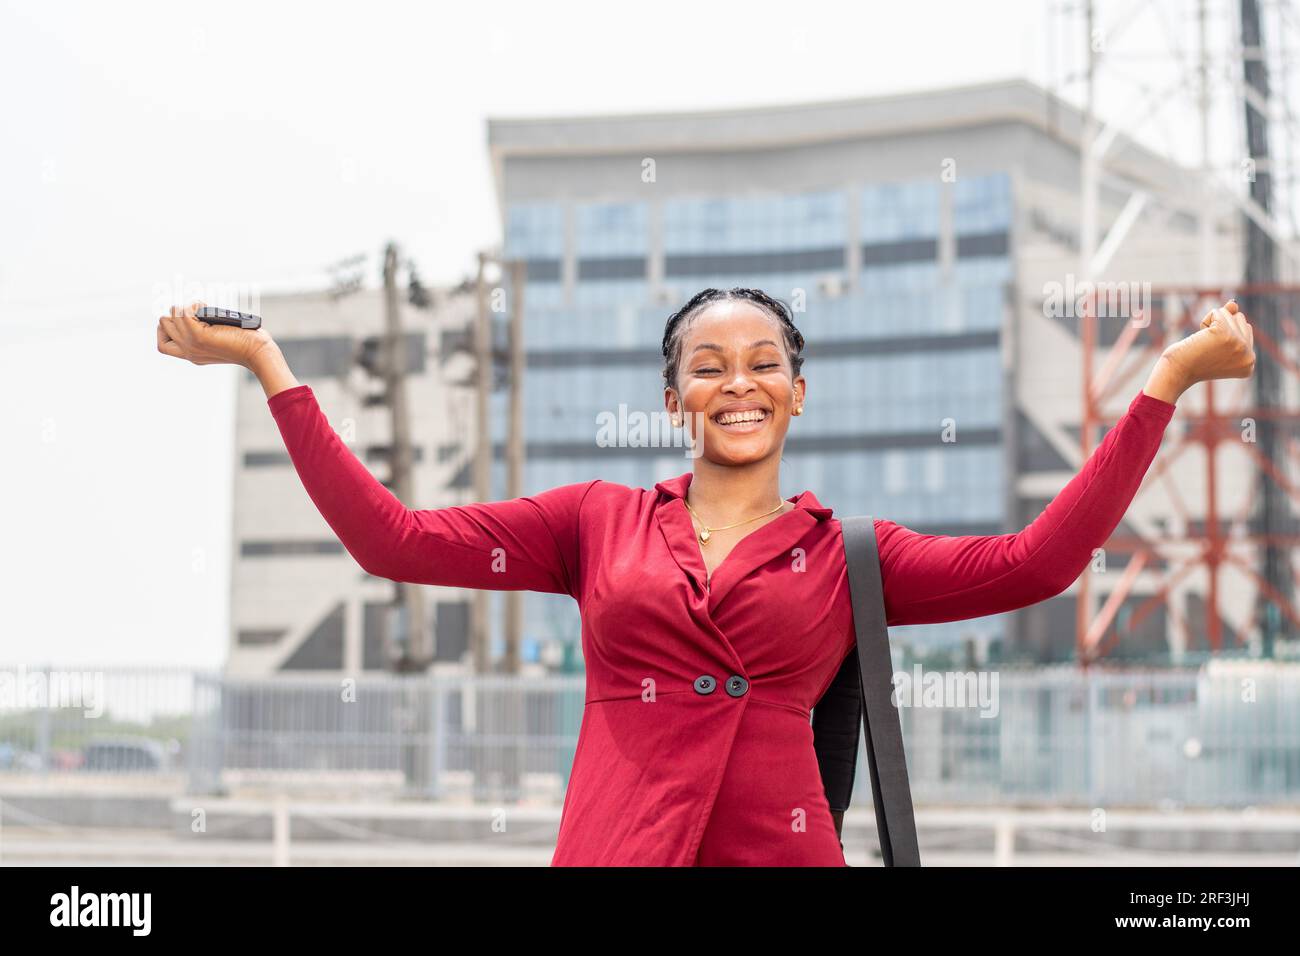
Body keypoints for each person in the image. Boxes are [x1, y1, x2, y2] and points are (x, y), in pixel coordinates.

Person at [157, 288, 1255, 866]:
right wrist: (270, 368)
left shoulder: (847, 554)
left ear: (797, 393)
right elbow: (390, 539)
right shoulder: (591, 522)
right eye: (708, 366)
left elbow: (1040, 560)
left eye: (765, 363)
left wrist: (1166, 379)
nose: (739, 383)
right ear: (674, 395)